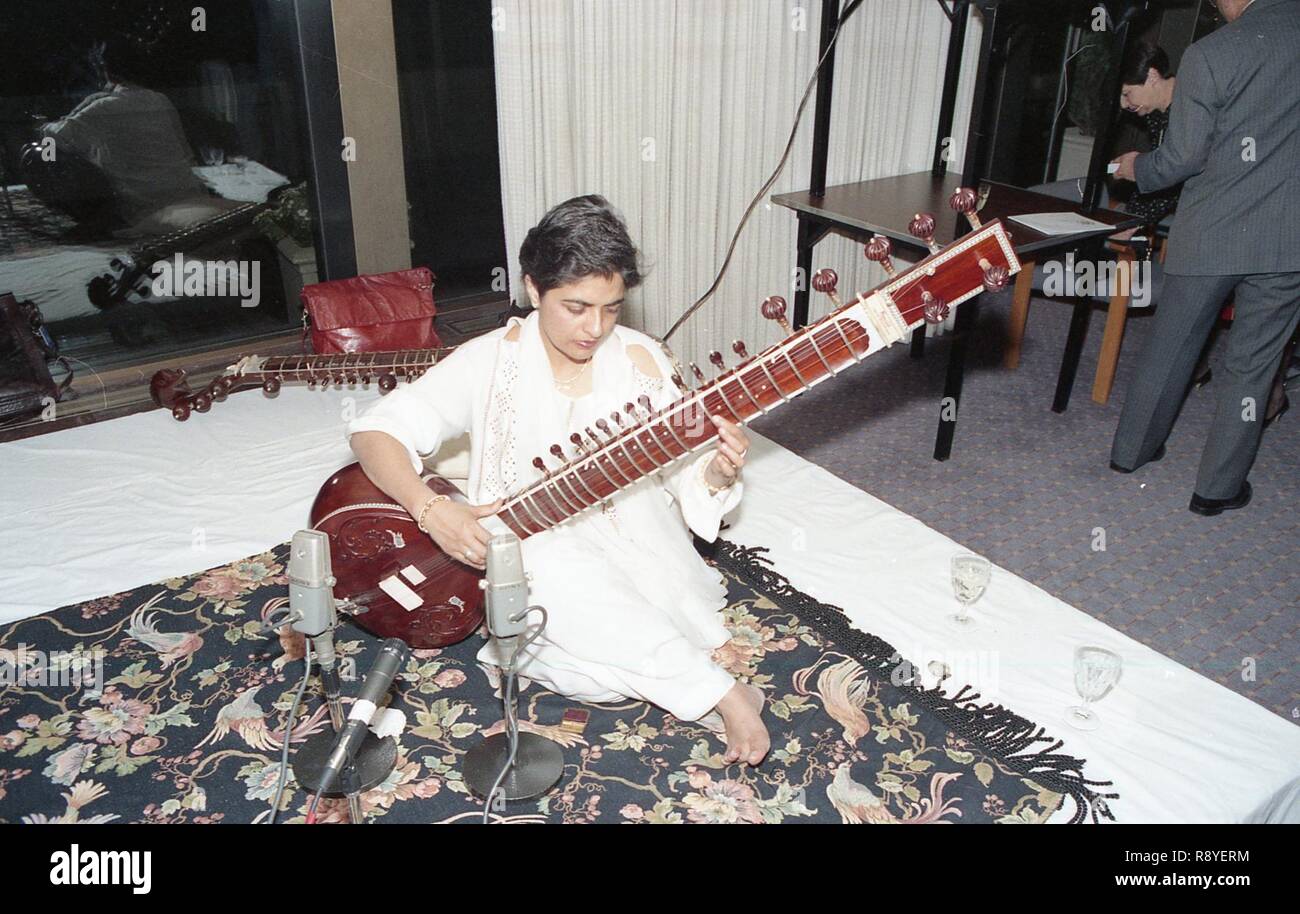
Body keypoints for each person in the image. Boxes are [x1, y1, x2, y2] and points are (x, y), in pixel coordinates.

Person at [345, 195, 770, 766]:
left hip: (633, 550)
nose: (595, 328)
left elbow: (685, 474)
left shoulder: (643, 360)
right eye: (575, 307)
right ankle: (722, 691)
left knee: (592, 672)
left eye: (612, 309)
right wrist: (431, 509)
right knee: (536, 574)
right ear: (531, 290)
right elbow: (375, 432)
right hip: (530, 551)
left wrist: (716, 472)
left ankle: (683, 672)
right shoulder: (487, 361)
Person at [1108, 0, 1300, 516]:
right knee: (1254, 366)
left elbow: (1183, 157)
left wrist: (1135, 168)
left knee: (1170, 347)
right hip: (1288, 238)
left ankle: (1131, 454)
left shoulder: (1211, 53)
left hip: (1212, 230)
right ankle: (1216, 489)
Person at [36, 36, 213, 231]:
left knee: (40, 154)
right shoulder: (158, 99)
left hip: (142, 204)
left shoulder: (104, 106)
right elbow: (184, 150)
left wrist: (45, 124)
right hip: (184, 192)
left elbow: (54, 137)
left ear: (106, 70)